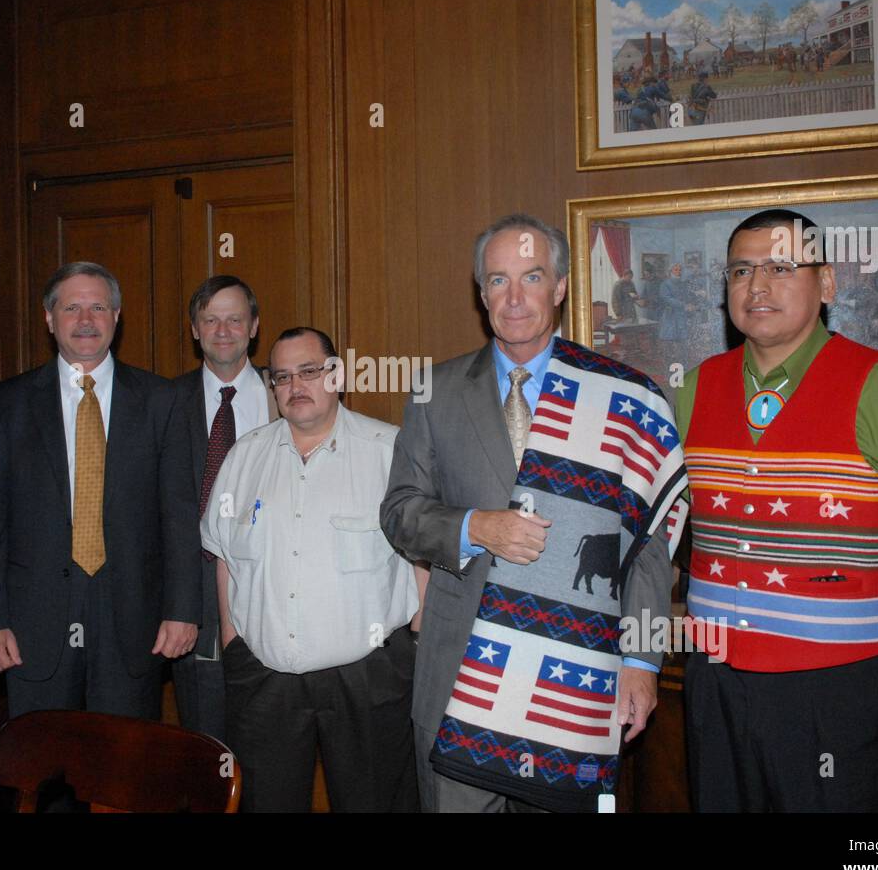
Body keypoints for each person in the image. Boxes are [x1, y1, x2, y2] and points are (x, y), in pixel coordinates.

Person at [675, 209, 878, 811]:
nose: (757, 286)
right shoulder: (693, 390)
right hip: (715, 684)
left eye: (780, 267)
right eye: (741, 270)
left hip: (841, 690)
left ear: (826, 284)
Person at [380, 213, 685, 812]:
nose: (514, 298)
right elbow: (400, 512)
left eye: (532, 277)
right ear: (480, 291)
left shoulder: (621, 397)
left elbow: (646, 547)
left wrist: (642, 660)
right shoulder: (433, 391)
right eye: (497, 281)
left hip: (576, 681)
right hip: (460, 678)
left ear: (563, 286)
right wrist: (475, 527)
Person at [201, 326, 421, 812]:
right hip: (264, 677)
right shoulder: (244, 458)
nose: (294, 386)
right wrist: (234, 642)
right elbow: (223, 555)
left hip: (368, 676)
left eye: (308, 371)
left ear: (336, 375)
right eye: (281, 377)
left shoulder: (390, 451)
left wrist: (414, 649)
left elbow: (424, 560)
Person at [0, 262, 202, 720]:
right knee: (40, 767)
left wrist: (182, 610)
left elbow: (178, 513)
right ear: (48, 318)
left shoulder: (160, 400)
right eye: (71, 307)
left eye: (98, 306)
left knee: (124, 771)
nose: (85, 319)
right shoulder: (8, 403)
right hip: (32, 622)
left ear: (117, 317)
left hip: (133, 620)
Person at [171, 275, 278, 742]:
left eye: (234, 319)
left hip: (277, 595)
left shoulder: (289, 396)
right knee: (205, 749)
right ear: (194, 329)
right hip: (193, 603)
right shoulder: (163, 402)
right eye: (210, 319)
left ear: (254, 326)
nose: (222, 330)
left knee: (275, 750)